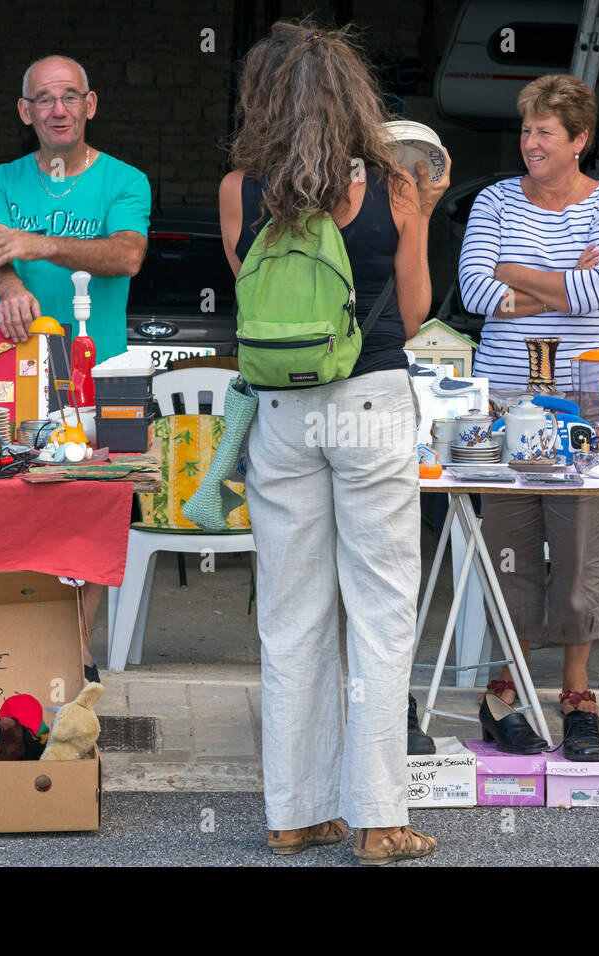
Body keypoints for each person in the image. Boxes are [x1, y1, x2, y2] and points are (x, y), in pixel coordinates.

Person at [218, 21, 449, 864]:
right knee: (382, 613)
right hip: (372, 403)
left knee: (291, 615)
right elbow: (416, 315)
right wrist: (418, 215)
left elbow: (256, 309)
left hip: (281, 415)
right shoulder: (393, 183)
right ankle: (380, 817)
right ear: (354, 99)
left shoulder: (241, 189)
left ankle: (294, 812)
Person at [457, 74, 599, 760]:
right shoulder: (497, 199)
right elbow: (475, 289)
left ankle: (575, 692)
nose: (531, 143)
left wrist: (516, 273)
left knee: (579, 550)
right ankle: (504, 691)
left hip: (589, 406)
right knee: (508, 545)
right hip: (503, 406)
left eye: (545, 133)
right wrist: (555, 285)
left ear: (579, 140)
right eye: (526, 130)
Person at [0, 54, 152, 678]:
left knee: (87, 507)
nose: (57, 109)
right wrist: (7, 287)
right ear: (25, 112)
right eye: (44, 99)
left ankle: (72, 656)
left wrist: (43, 244)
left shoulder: (126, 181)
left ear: (90, 104)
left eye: (69, 97)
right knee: (14, 503)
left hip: (94, 373)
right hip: (16, 369)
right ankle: (15, 645)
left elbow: (127, 256)